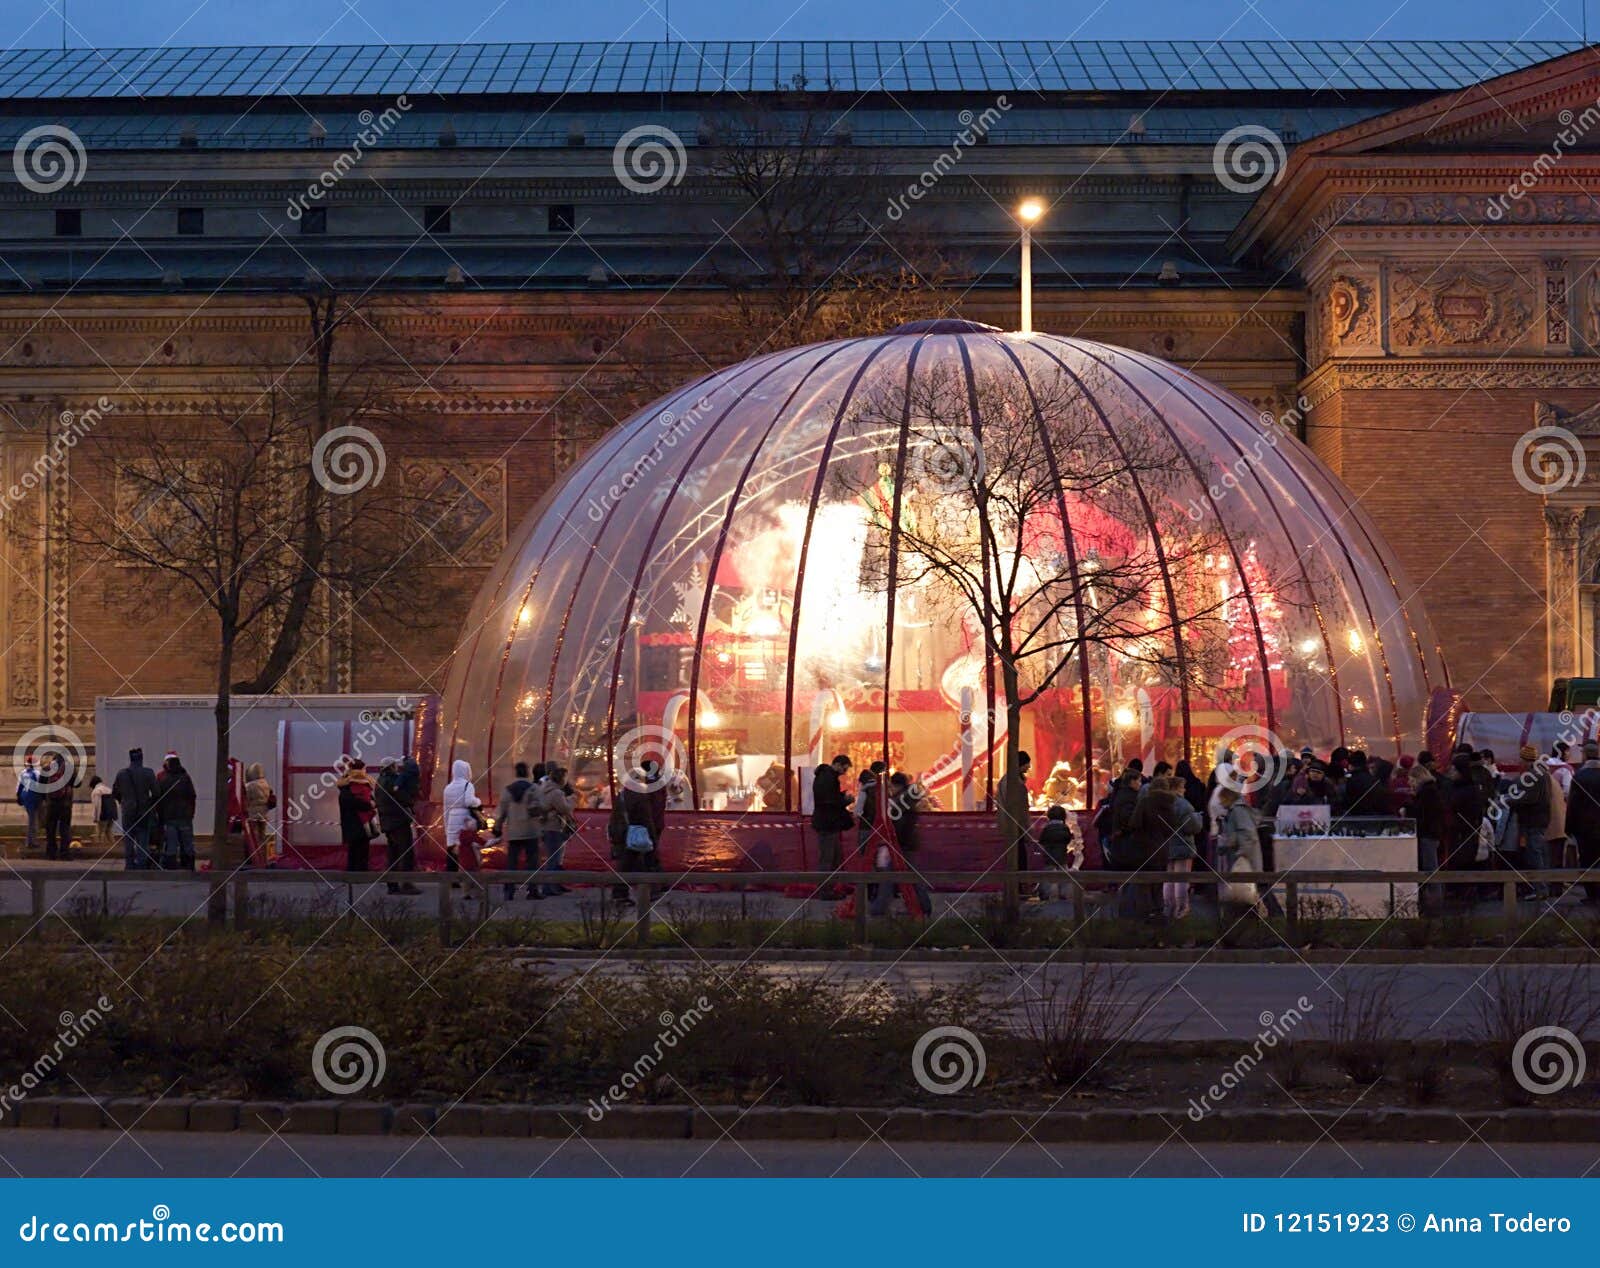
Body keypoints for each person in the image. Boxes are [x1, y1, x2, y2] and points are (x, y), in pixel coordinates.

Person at [870, 772, 932, 917]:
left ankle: (880, 908)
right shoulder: (908, 799)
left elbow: (899, 824)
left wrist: (890, 839)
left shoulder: (900, 801)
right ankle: (923, 906)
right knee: (908, 877)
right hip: (905, 843)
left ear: (897, 785)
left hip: (901, 844)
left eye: (891, 786)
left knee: (890, 877)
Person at [1504, 743, 1552, 900]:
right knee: (1537, 853)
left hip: (1534, 820)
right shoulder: (1542, 773)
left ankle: (1540, 890)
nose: (1520, 763)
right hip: (1539, 819)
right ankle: (1541, 888)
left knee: (1534, 854)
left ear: (1526, 760)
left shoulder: (1535, 776)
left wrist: (1508, 800)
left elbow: (1529, 798)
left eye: (1521, 759)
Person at [495, 761, 541, 900]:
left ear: (516, 773)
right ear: (527, 772)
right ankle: (532, 890)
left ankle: (509, 891)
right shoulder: (533, 788)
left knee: (512, 863)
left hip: (514, 832)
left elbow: (501, 812)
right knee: (532, 862)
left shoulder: (507, 790)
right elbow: (537, 808)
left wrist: (497, 827)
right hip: (531, 830)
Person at [375, 758, 421, 894]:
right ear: (391, 767)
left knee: (393, 854)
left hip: (388, 823)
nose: (397, 767)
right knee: (406, 853)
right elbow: (404, 797)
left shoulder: (379, 781)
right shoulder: (392, 781)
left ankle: (392, 884)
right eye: (395, 765)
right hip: (399, 821)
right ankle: (407, 884)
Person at [1409, 751, 1445, 915]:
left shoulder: (1427, 793)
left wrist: (1409, 808)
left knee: (1430, 868)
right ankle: (1434, 900)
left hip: (1428, 835)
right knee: (1431, 866)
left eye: (1411, 779)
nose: (1409, 783)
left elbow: (1423, 814)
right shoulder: (1431, 790)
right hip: (1432, 834)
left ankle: (1435, 903)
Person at [112, 748, 159, 870]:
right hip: (144, 811)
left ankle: (129, 864)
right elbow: (156, 792)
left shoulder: (121, 774)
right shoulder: (148, 773)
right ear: (141, 758)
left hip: (128, 811)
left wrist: (123, 802)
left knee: (128, 839)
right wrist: (149, 804)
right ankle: (142, 865)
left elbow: (115, 792)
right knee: (143, 839)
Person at [810, 754, 854, 886]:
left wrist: (840, 796)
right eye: (844, 769)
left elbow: (827, 798)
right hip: (827, 823)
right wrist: (845, 800)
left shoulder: (825, 776)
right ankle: (825, 889)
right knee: (828, 859)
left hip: (827, 823)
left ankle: (829, 888)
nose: (844, 772)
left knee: (833, 858)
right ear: (838, 764)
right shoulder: (828, 778)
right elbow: (829, 801)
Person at [1564, 743, 1600, 904]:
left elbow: (1573, 804)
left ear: (1585, 755)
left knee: (1587, 860)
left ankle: (1592, 894)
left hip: (1585, 829)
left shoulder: (1579, 777)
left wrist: (1569, 827)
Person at [534, 764, 577, 897]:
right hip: (554, 827)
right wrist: (571, 800)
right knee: (554, 859)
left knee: (551, 857)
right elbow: (564, 809)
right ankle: (549, 886)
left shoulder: (544, 789)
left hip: (546, 827)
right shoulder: (557, 793)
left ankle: (552, 885)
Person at [995, 750, 1033, 892]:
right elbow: (1020, 809)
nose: (1029, 768)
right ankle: (1019, 889)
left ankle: (1017, 888)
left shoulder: (1007, 780)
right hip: (1016, 827)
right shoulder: (1014, 783)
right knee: (1019, 858)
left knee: (1016, 857)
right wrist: (1027, 829)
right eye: (1026, 764)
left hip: (1012, 825)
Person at [152, 752, 197, 870]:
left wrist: (160, 816)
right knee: (187, 844)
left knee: (171, 845)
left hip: (169, 818)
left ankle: (171, 867)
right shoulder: (185, 778)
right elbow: (192, 796)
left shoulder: (163, 779)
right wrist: (191, 813)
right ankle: (189, 866)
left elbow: (158, 800)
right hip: (185, 817)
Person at [441, 758, 483, 875]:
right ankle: (466, 875)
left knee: (452, 848)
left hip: (451, 819)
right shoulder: (467, 785)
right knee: (464, 848)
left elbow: (446, 809)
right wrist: (478, 801)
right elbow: (469, 801)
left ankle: (451, 876)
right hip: (464, 819)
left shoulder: (448, 788)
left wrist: (446, 827)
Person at [336, 760, 377, 873]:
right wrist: (369, 805)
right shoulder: (348, 786)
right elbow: (350, 802)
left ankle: (359, 871)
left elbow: (370, 798)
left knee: (361, 848)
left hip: (359, 822)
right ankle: (357, 873)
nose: (365, 772)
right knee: (356, 849)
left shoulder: (346, 784)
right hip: (355, 822)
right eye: (364, 769)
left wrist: (372, 803)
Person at [40, 751, 78, 860]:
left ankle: (51, 853)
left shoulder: (47, 768)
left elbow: (40, 786)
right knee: (65, 828)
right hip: (65, 804)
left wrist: (45, 799)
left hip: (51, 804)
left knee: (50, 829)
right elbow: (78, 783)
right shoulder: (69, 769)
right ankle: (64, 853)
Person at [1037, 804, 1076, 901]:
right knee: (1063, 875)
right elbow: (1068, 839)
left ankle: (1045, 893)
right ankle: (1064, 893)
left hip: (1049, 855)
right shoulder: (1065, 828)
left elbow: (1041, 840)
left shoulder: (1047, 829)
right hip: (1062, 855)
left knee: (1048, 874)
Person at [243, 762, 275, 868]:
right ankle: (263, 859)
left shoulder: (249, 786)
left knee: (253, 838)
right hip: (264, 814)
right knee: (262, 837)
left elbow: (245, 799)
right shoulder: (266, 784)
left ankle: (254, 860)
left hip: (252, 815)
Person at [15, 756, 42, 854]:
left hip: (24, 796)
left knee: (31, 819)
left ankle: (30, 840)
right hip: (33, 797)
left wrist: (18, 797)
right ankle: (31, 841)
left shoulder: (23, 773)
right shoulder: (37, 773)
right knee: (33, 820)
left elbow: (19, 786)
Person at [88, 775, 117, 853]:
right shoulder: (109, 789)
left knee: (100, 833)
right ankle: (114, 849)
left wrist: (96, 818)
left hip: (103, 814)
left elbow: (97, 805)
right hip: (112, 814)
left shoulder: (96, 791)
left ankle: (101, 851)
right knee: (109, 831)